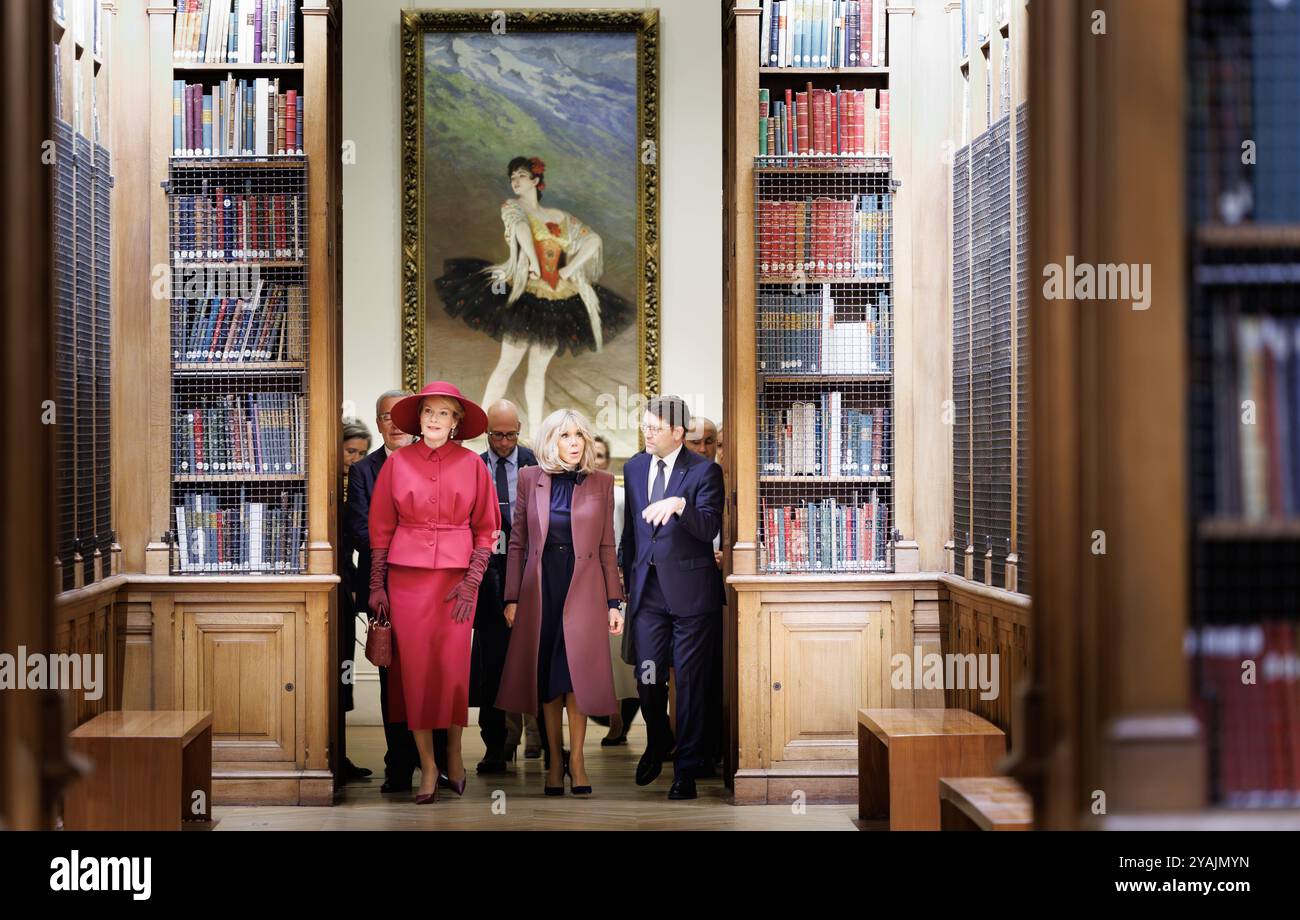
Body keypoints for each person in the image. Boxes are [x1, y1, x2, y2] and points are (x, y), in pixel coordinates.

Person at [434, 156, 635, 439]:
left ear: (535, 181)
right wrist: (536, 266)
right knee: (507, 364)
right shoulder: (512, 208)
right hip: (526, 295)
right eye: (512, 177)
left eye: (520, 176)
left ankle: (539, 431)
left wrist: (568, 269)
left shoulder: (560, 218)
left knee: (538, 370)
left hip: (557, 299)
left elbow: (593, 241)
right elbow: (521, 231)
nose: (515, 181)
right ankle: (478, 423)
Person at [367, 381, 501, 803]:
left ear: (457, 422)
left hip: (458, 582)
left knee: (453, 671)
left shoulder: (474, 465)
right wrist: (377, 584)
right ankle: (426, 765)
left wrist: (473, 580)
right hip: (406, 581)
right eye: (428, 411)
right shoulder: (397, 463)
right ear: (418, 417)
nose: (434, 419)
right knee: (415, 675)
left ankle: (454, 753)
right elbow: (380, 528)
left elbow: (487, 528)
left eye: (444, 413)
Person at [496, 408, 624, 796]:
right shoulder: (528, 477)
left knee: (577, 678)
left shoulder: (601, 481)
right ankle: (555, 761)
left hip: (584, 587)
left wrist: (614, 602)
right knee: (548, 681)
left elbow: (607, 547)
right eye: (565, 435)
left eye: (579, 436)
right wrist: (512, 596)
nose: (573, 443)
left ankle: (579, 763)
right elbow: (517, 542)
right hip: (540, 589)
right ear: (549, 441)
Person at [349, 390, 455, 794]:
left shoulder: (437, 463)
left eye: (399, 416)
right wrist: (409, 549)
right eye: (385, 417)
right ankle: (399, 765)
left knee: (436, 675)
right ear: (378, 424)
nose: (393, 423)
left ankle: (441, 762)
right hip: (386, 591)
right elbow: (360, 530)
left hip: (435, 587)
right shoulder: (363, 471)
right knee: (393, 678)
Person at [621, 396, 724, 800]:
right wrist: (625, 585)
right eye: (645, 425)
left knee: (692, 682)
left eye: (655, 427)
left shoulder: (704, 471)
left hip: (691, 595)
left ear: (678, 432)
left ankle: (687, 771)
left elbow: (708, 527)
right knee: (647, 677)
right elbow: (632, 531)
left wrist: (681, 505)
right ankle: (658, 739)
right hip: (646, 594)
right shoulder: (633, 468)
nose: (647, 432)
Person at [471, 398, 537, 774]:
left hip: (531, 571)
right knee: (490, 664)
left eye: (511, 434)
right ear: (486, 432)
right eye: (497, 435)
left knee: (536, 658)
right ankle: (495, 745)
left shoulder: (536, 462)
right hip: (487, 574)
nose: (504, 442)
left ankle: (541, 740)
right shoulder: (475, 466)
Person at [685, 415, 726, 778]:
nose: (703, 448)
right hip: (688, 594)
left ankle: (714, 750)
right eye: (696, 441)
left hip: (725, 595)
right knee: (691, 678)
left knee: (718, 678)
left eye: (710, 441)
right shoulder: (676, 481)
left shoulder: (729, 479)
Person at [592, 434, 640, 746]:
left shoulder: (620, 495)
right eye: (590, 454)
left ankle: (618, 722)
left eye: (600, 455)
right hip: (586, 580)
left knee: (618, 658)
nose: (595, 460)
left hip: (615, 580)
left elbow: (626, 536)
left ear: (607, 460)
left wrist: (622, 573)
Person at [337, 419, 374, 784]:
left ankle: (340, 753)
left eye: (362, 453)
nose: (356, 460)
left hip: (350, 586)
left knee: (345, 671)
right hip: (335, 586)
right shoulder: (327, 488)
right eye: (351, 452)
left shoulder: (359, 486)